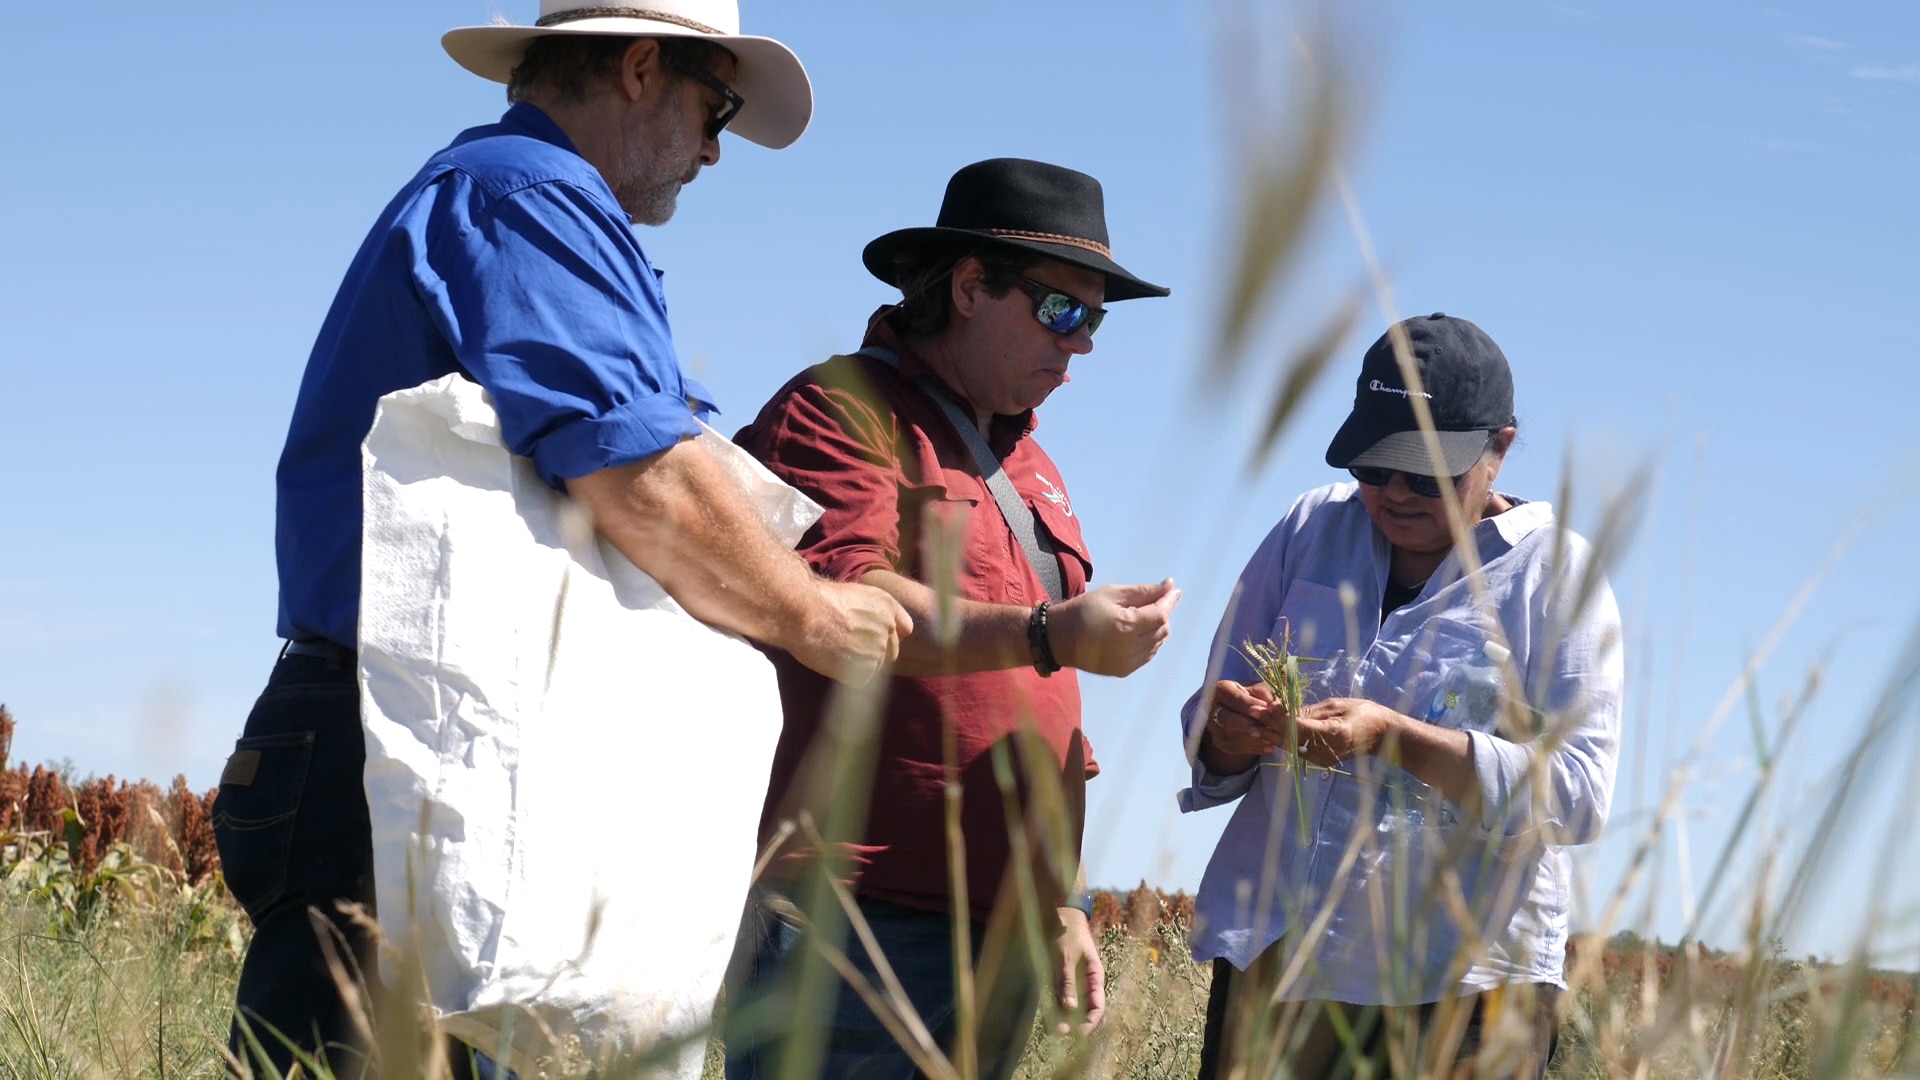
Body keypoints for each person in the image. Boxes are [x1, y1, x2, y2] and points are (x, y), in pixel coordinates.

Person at [210, 2, 910, 1074]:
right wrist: (816, 615)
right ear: (638, 67)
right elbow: (640, 474)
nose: (715, 147)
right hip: (396, 731)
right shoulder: (533, 196)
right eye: (713, 106)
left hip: (425, 727)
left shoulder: (513, 197)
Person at [726, 158, 1180, 1080]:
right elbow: (847, 604)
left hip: (1003, 927)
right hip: (856, 918)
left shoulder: (1033, 464)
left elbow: (1045, 706)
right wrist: (1052, 632)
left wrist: (1064, 902)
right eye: (1063, 310)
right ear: (971, 287)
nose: (1081, 344)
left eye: (1095, 320)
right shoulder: (839, 409)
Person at [1179, 313, 1622, 1079]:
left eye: (1426, 474)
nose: (1393, 493)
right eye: (1375, 465)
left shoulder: (1556, 576)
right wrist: (1227, 732)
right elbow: (1209, 722)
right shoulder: (1308, 529)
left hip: (1469, 991)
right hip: (1281, 960)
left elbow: (1579, 795)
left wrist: (1395, 738)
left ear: (1500, 448)